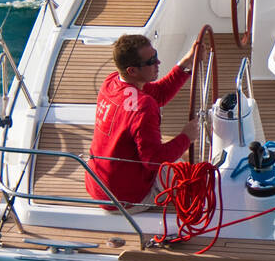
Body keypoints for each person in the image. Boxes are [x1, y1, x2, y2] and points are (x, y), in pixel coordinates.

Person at [85, 34, 201, 209]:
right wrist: (186, 137)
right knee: (197, 174)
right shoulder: (143, 106)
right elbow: (154, 160)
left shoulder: (112, 82)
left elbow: (160, 93)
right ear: (132, 71)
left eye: (155, 55)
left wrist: (187, 63)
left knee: (182, 155)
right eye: (151, 61)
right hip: (126, 199)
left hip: (99, 186)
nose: (158, 62)